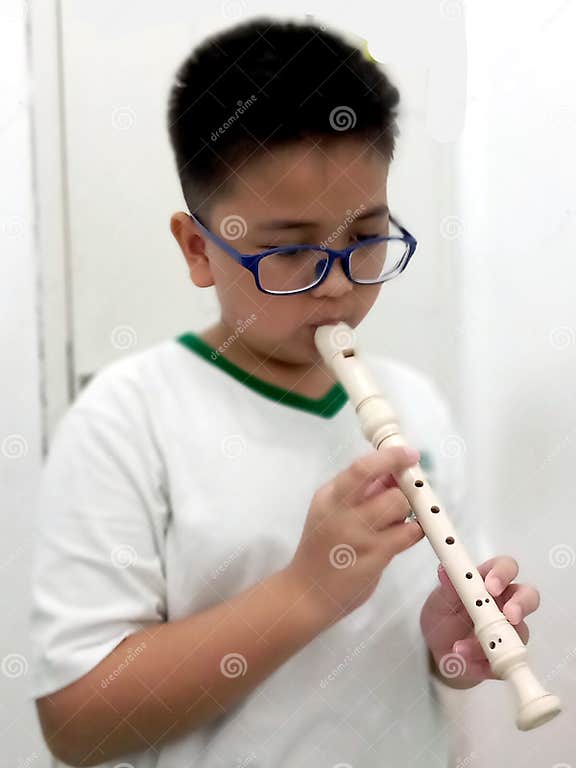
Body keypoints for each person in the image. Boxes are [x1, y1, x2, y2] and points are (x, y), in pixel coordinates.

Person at [29, 16, 540, 767]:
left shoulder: (416, 401)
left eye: (365, 238)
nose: (336, 285)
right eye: (290, 250)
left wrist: (449, 647)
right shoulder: (126, 416)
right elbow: (75, 726)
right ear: (199, 249)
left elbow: (431, 665)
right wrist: (307, 592)